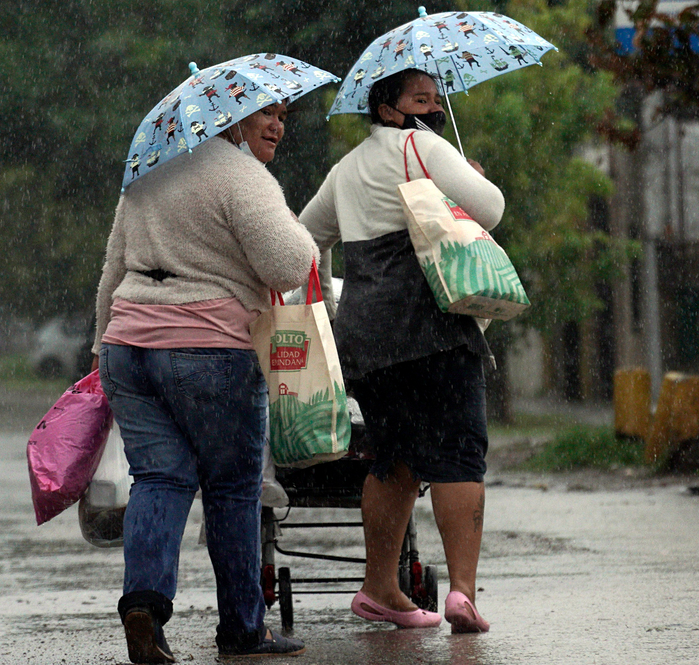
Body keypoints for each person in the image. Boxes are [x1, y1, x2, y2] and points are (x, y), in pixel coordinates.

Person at [92, 100, 319, 663]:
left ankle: (144, 605)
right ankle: (243, 628)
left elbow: (112, 271)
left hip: (129, 349)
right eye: (264, 114)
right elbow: (289, 265)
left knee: (159, 479)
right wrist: (303, 234)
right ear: (227, 120)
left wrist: (102, 349)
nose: (277, 125)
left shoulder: (149, 172)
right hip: (210, 350)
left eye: (282, 115)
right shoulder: (242, 175)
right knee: (232, 489)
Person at [298, 68, 504, 633]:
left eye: (436, 99)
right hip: (432, 328)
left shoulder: (344, 171)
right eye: (420, 99)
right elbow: (491, 209)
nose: (432, 108)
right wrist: (473, 179)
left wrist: (331, 311)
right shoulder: (424, 144)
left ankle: (380, 588)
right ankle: (461, 593)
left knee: (395, 458)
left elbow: (304, 239)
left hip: (368, 340)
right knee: (460, 452)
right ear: (387, 108)